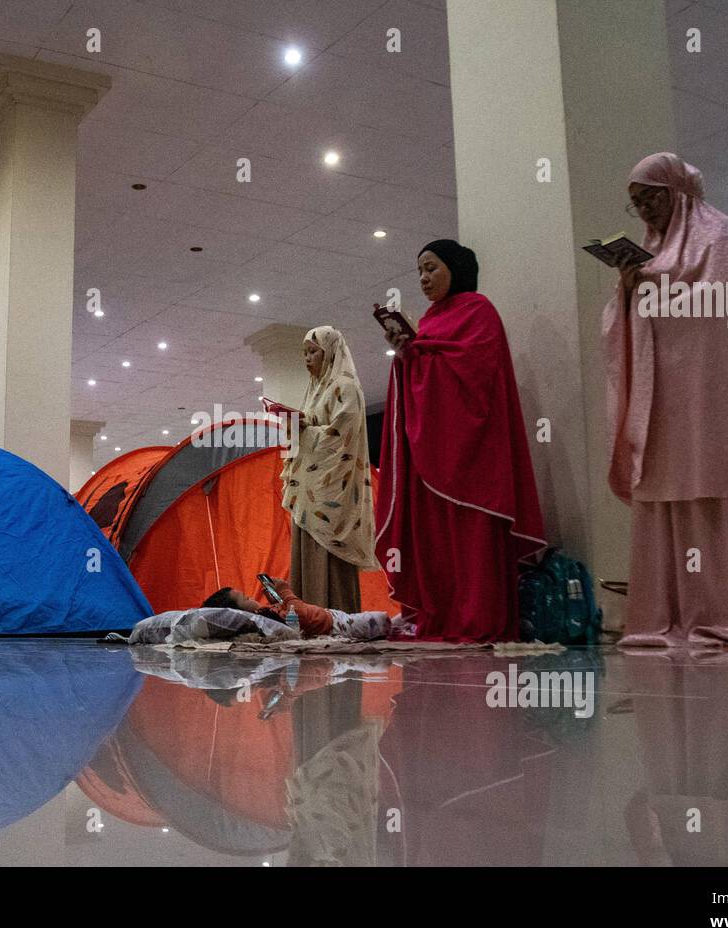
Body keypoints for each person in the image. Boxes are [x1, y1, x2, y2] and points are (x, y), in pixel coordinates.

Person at [602, 152, 728, 647]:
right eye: (636, 203)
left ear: (678, 190)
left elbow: (721, 310)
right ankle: (665, 615)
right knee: (664, 496)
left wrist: (653, 286)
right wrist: (628, 291)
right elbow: (621, 326)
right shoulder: (650, 251)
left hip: (711, 398)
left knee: (716, 495)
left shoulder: (721, 235)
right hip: (662, 402)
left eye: (652, 196)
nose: (646, 210)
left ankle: (723, 614)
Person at [376, 240, 545, 643]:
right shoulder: (432, 320)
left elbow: (477, 375)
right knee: (435, 543)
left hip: (471, 456)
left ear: (456, 268)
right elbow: (428, 367)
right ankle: (440, 616)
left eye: (432, 268)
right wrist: (407, 357)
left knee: (471, 540)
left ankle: (477, 619)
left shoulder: (478, 311)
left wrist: (420, 357)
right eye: (420, 271)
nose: (423, 278)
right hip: (428, 455)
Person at [280, 326, 378, 613]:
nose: (307, 359)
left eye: (313, 352)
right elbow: (316, 420)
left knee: (329, 552)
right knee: (309, 551)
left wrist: (306, 430)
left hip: (332, 488)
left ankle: (335, 618)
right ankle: (311, 617)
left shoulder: (345, 386)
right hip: (313, 489)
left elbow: (341, 437)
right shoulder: (317, 389)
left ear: (331, 353)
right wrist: (298, 420)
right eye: (305, 353)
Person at [202, 581, 390, 641]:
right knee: (378, 620)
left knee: (369, 621)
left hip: (333, 617)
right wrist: (285, 591)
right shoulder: (265, 621)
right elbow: (297, 616)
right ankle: (396, 627)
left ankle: (396, 626)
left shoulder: (266, 615)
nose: (251, 597)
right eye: (245, 599)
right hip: (336, 626)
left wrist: (276, 600)